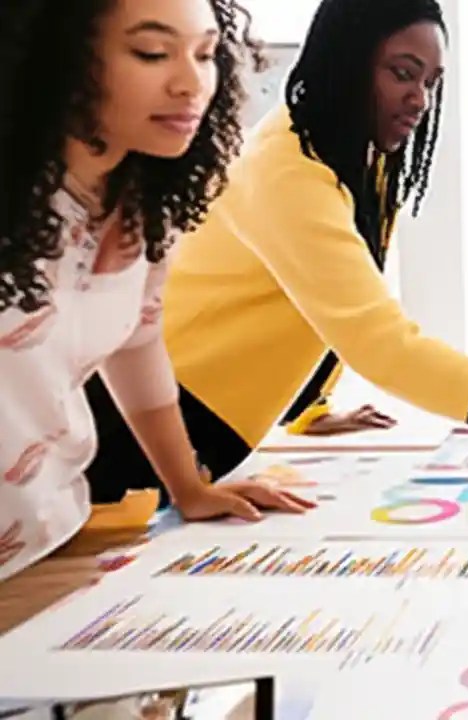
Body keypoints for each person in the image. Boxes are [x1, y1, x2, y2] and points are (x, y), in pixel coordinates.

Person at [85, 0, 468, 504]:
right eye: (402, 72)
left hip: (205, 443)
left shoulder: (355, 157)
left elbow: (319, 299)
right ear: (347, 62)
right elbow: (382, 342)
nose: (420, 99)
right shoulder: (283, 171)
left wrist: (309, 407)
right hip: (136, 436)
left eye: (430, 81)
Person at [0, 0, 313, 632]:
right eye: (151, 52)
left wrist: (189, 486)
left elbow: (137, 343)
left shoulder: (140, 201)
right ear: (61, 59)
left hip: (48, 535)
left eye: (204, 54)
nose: (191, 82)